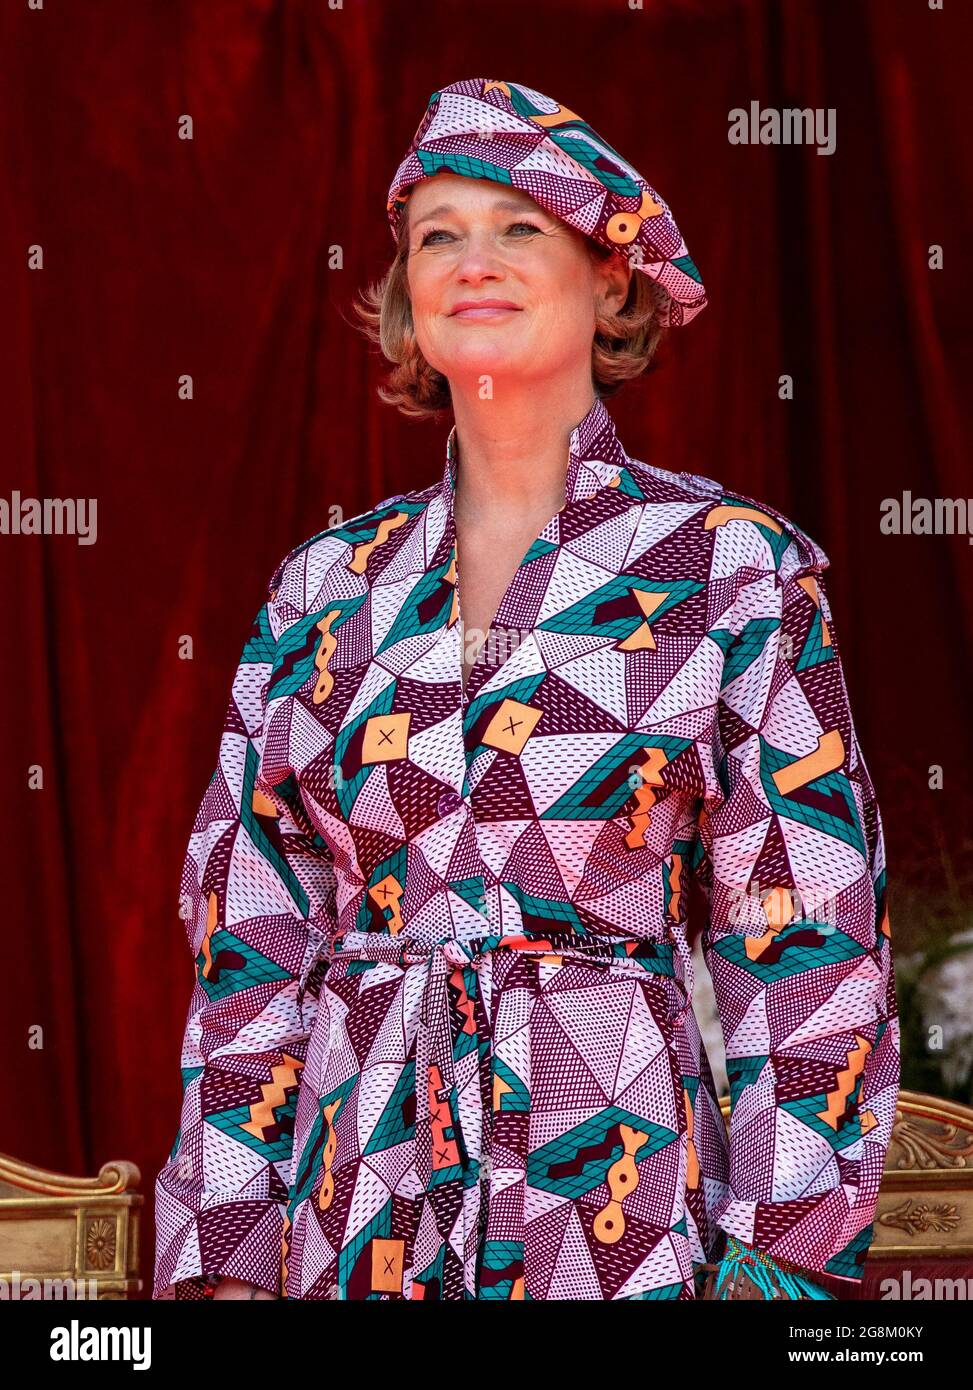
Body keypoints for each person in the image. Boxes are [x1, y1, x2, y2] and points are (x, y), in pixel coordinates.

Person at [152, 77, 900, 1301]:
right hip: (359, 1201)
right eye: (436, 233)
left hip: (619, 1196)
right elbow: (251, 941)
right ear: (404, 300)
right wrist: (228, 1259)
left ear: (611, 279)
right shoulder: (323, 591)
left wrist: (782, 1267)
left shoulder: (729, 565)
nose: (472, 259)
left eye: (518, 226)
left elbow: (806, 937)